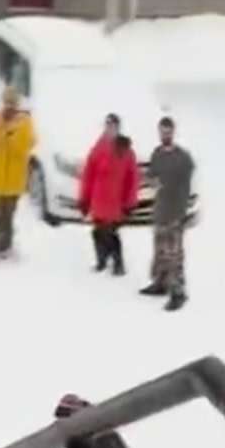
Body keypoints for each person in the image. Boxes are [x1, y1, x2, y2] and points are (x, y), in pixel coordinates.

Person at [141, 116, 195, 311]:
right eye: (162, 131)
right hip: (160, 210)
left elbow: (187, 185)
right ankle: (160, 283)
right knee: (160, 251)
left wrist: (182, 210)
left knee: (175, 254)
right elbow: (151, 176)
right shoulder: (157, 154)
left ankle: (178, 291)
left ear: (173, 132)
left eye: (168, 131)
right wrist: (150, 180)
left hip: (175, 211)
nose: (165, 134)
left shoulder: (183, 158)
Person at [0, 86, 35, 265]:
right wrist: (1, 134)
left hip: (14, 181)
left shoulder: (25, 123)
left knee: (8, 217)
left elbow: (28, 144)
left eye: (13, 103)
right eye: (7, 102)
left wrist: (12, 137)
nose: (10, 106)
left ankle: (6, 247)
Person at [79, 114, 139, 275]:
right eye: (108, 126)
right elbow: (87, 176)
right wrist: (84, 200)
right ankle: (102, 260)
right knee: (98, 232)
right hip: (98, 201)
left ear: (118, 129)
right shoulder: (97, 149)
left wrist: (129, 203)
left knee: (111, 233)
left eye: (113, 127)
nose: (110, 129)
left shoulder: (125, 150)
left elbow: (132, 179)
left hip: (115, 202)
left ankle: (118, 264)